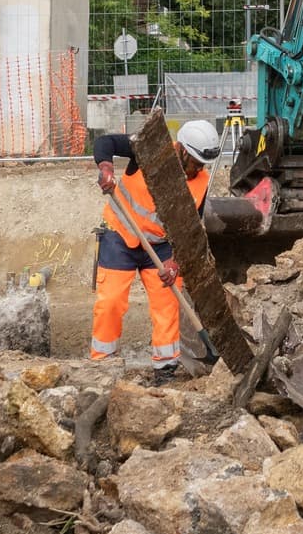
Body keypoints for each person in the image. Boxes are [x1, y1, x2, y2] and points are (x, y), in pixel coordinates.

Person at [92, 119, 220, 373]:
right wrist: (106, 168)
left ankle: (165, 369)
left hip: (160, 247)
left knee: (167, 304)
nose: (197, 168)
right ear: (181, 149)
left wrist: (175, 263)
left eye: (202, 164)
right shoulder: (149, 150)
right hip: (121, 235)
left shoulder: (201, 182)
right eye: (194, 161)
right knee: (112, 302)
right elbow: (104, 142)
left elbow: (191, 231)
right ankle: (102, 366)